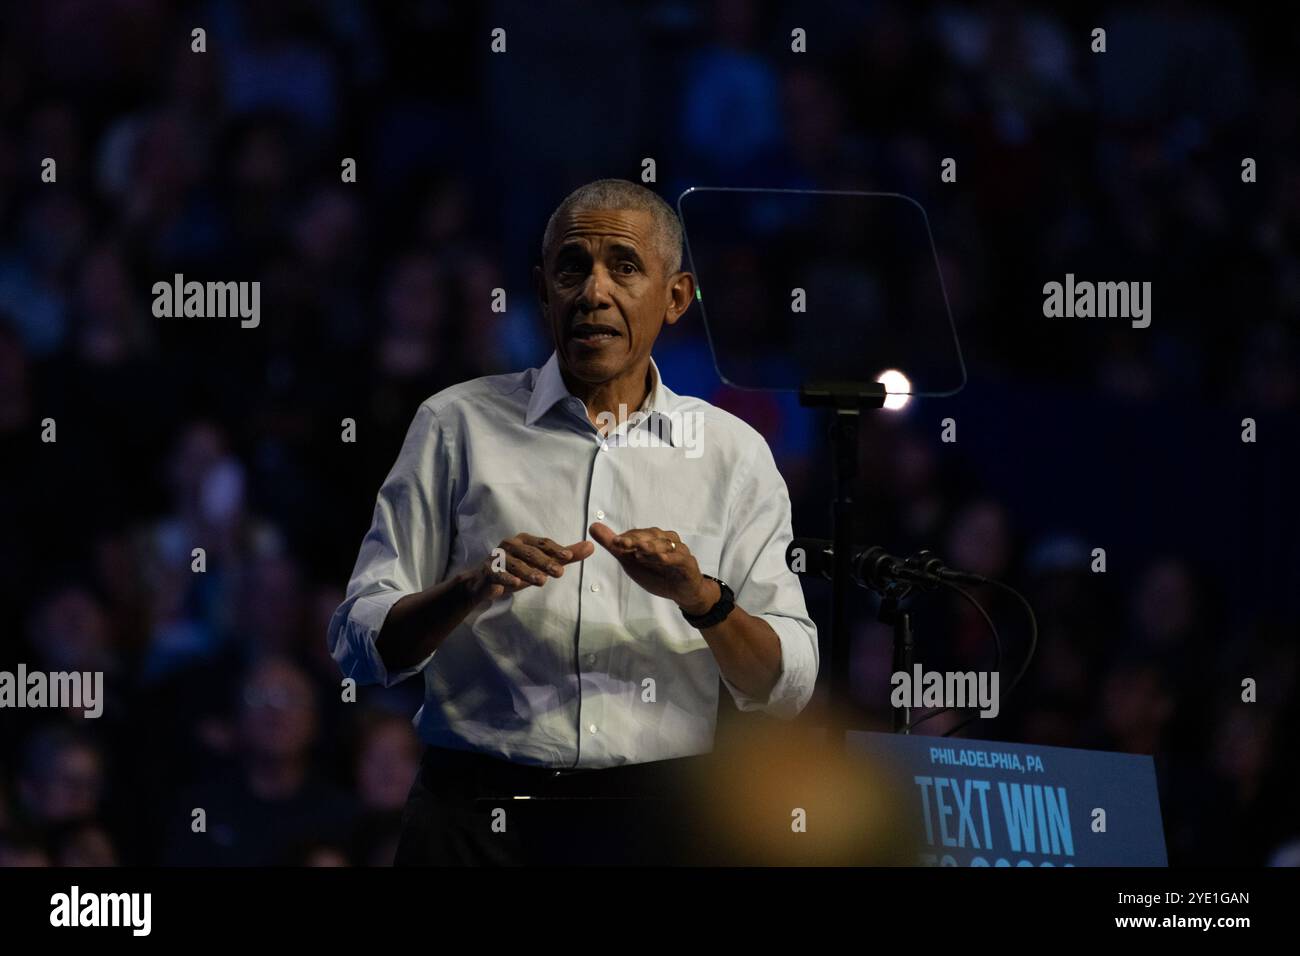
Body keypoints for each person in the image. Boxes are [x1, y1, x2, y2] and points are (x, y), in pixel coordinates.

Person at [328, 178, 818, 864]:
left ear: (676, 297)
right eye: (572, 267)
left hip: (656, 821)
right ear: (542, 289)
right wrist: (469, 589)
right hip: (471, 820)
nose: (594, 292)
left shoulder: (734, 453)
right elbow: (359, 642)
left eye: (624, 266)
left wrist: (701, 599)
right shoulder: (455, 423)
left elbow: (788, 682)